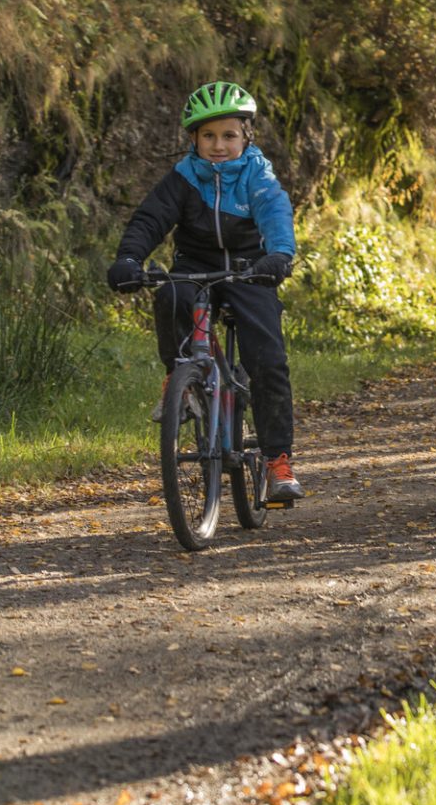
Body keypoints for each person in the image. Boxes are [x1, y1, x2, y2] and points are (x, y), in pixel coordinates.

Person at [106, 81, 305, 504]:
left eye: (229, 135)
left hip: (250, 270)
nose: (218, 145)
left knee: (268, 359)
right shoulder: (182, 178)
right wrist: (128, 260)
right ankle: (181, 377)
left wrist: (280, 255)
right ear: (193, 139)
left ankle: (276, 462)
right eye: (208, 136)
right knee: (171, 295)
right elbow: (149, 220)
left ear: (246, 137)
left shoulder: (257, 175)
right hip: (195, 268)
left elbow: (274, 214)